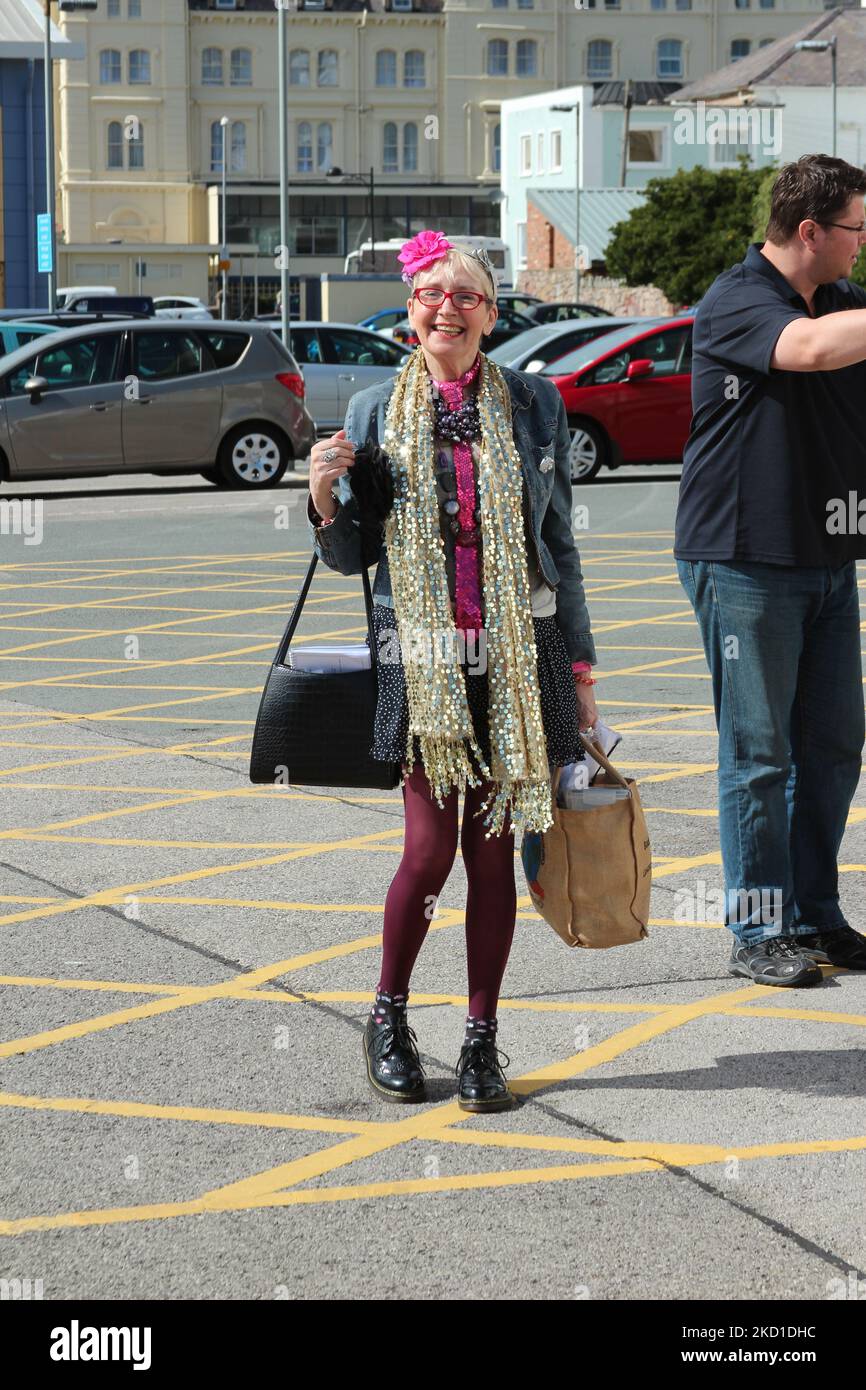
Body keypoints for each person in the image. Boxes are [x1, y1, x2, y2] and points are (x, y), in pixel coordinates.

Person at [307, 230, 598, 1110]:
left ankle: (482, 1041)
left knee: (492, 855)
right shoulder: (371, 413)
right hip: (425, 653)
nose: (447, 309)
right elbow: (353, 554)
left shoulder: (536, 406)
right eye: (432, 294)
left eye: (466, 295)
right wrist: (323, 495)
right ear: (410, 314)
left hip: (520, 653)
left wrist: (582, 671)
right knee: (429, 854)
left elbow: (560, 546)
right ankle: (389, 1017)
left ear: (491, 314)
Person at [675, 154, 866, 987]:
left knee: (831, 747)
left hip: (826, 554)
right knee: (758, 754)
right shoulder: (738, 300)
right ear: (812, 230)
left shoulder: (844, 301)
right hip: (744, 557)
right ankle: (758, 928)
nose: (865, 244)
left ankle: (814, 915)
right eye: (858, 229)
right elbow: (814, 351)